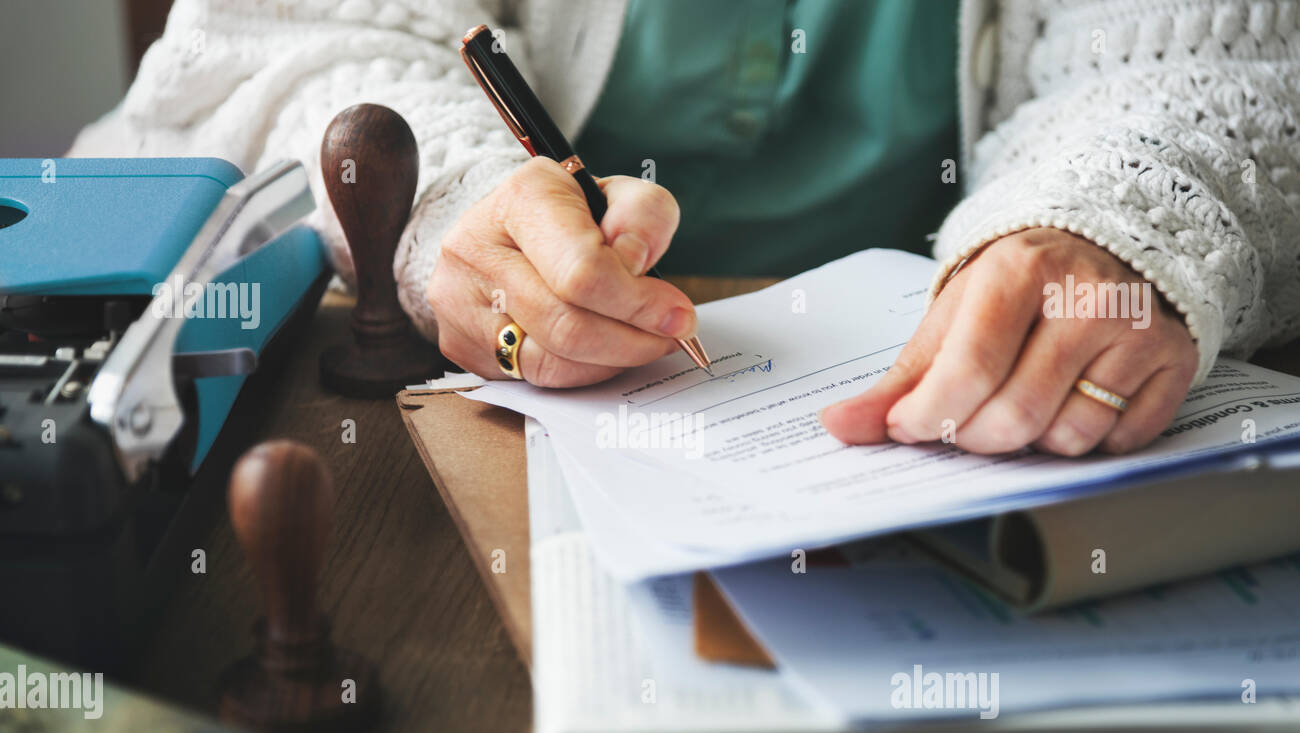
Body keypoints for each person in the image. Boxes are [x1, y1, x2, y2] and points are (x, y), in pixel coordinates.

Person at [73, 0, 1300, 456]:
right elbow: (292, 45)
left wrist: (1106, 224)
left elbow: (1207, 61)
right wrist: (458, 210)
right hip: (483, 442)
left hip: (943, 394)